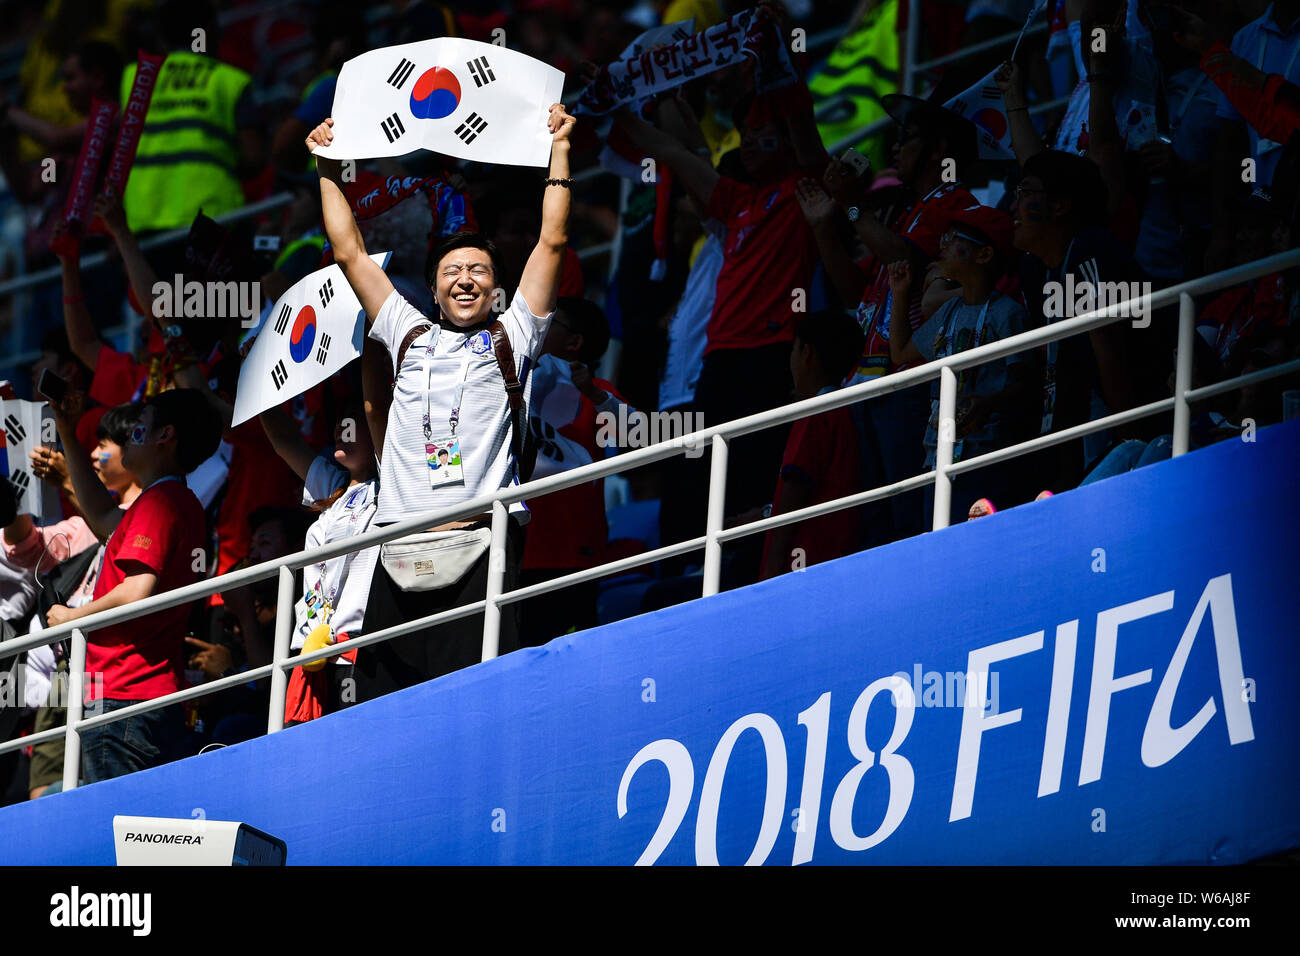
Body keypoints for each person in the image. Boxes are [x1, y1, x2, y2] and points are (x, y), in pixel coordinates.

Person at [305, 102, 575, 698]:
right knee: (385, 717)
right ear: (431, 289)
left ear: (497, 287)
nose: (465, 279)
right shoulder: (407, 331)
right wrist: (327, 167)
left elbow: (552, 241)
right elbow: (349, 250)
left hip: (480, 547)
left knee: (476, 705)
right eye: (452, 271)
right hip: (396, 550)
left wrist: (559, 151)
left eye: (479, 270)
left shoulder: (514, 335)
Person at [46, 388, 221, 783]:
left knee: (116, 833)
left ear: (165, 436)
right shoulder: (169, 500)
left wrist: (73, 618)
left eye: (139, 428)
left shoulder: (164, 502)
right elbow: (102, 515)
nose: (129, 437)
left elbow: (137, 588)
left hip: (125, 698)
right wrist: (68, 434)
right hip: (141, 697)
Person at [885, 205, 1036, 525]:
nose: (942, 244)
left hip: (986, 457)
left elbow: (1025, 383)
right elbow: (899, 353)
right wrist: (899, 295)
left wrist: (989, 403)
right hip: (938, 456)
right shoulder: (949, 311)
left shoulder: (1007, 314)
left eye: (953, 238)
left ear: (983, 256)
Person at [759, 309, 865, 580]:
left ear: (806, 354)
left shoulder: (816, 413)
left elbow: (796, 486)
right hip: (835, 557)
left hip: (805, 566)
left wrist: (773, 563)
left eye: (793, 350)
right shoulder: (844, 409)